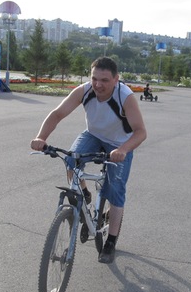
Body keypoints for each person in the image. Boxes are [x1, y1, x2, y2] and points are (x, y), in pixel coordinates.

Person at [30, 57, 147, 264]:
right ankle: (83, 193)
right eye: (94, 78)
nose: (98, 84)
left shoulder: (125, 96)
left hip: (119, 143)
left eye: (104, 80)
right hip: (93, 135)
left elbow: (140, 132)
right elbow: (57, 114)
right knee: (71, 160)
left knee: (115, 191)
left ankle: (110, 242)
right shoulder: (84, 91)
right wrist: (41, 137)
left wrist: (123, 150)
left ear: (116, 79)